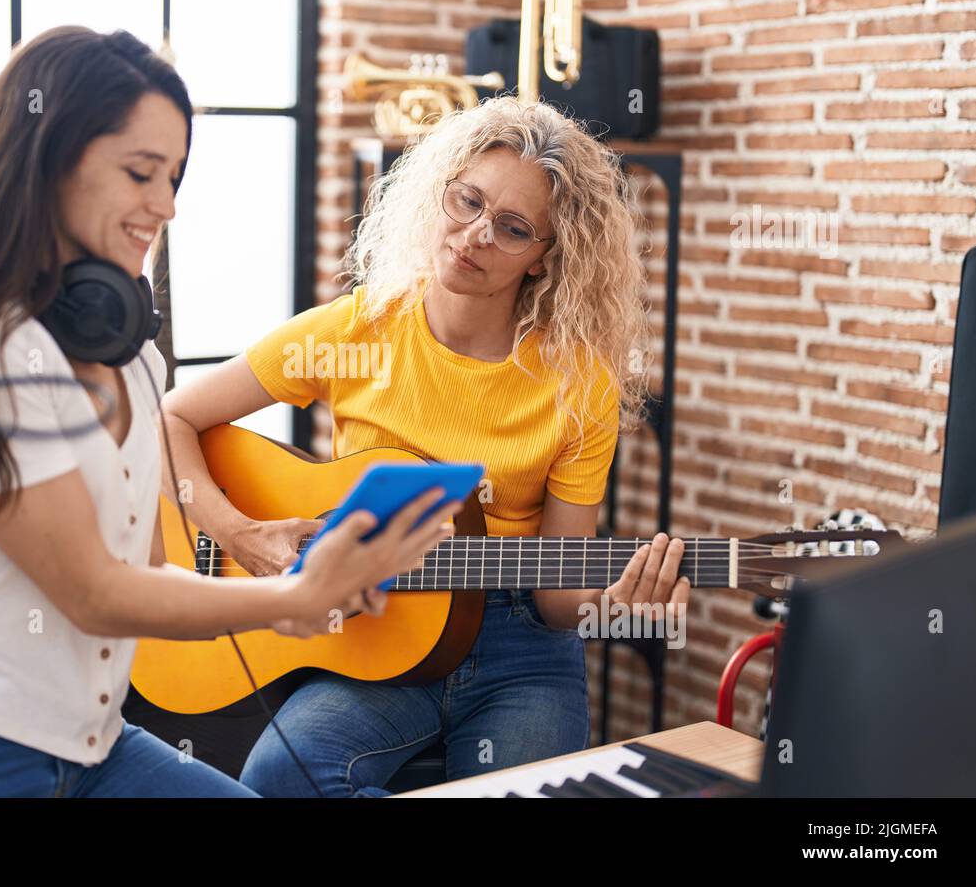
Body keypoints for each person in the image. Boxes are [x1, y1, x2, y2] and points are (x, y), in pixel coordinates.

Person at [0, 26, 455, 798]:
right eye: (141, 173)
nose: (166, 206)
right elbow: (94, 590)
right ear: (48, 162)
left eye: (175, 178)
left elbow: (147, 577)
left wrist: (301, 574)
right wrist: (294, 599)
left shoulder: (133, 357)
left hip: (90, 748)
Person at [163, 95, 691, 796]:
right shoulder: (356, 331)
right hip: (375, 632)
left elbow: (559, 597)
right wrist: (239, 531)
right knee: (279, 777)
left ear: (543, 258)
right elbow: (170, 419)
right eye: (466, 201)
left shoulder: (578, 384)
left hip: (520, 652)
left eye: (511, 228)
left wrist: (617, 602)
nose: (473, 235)